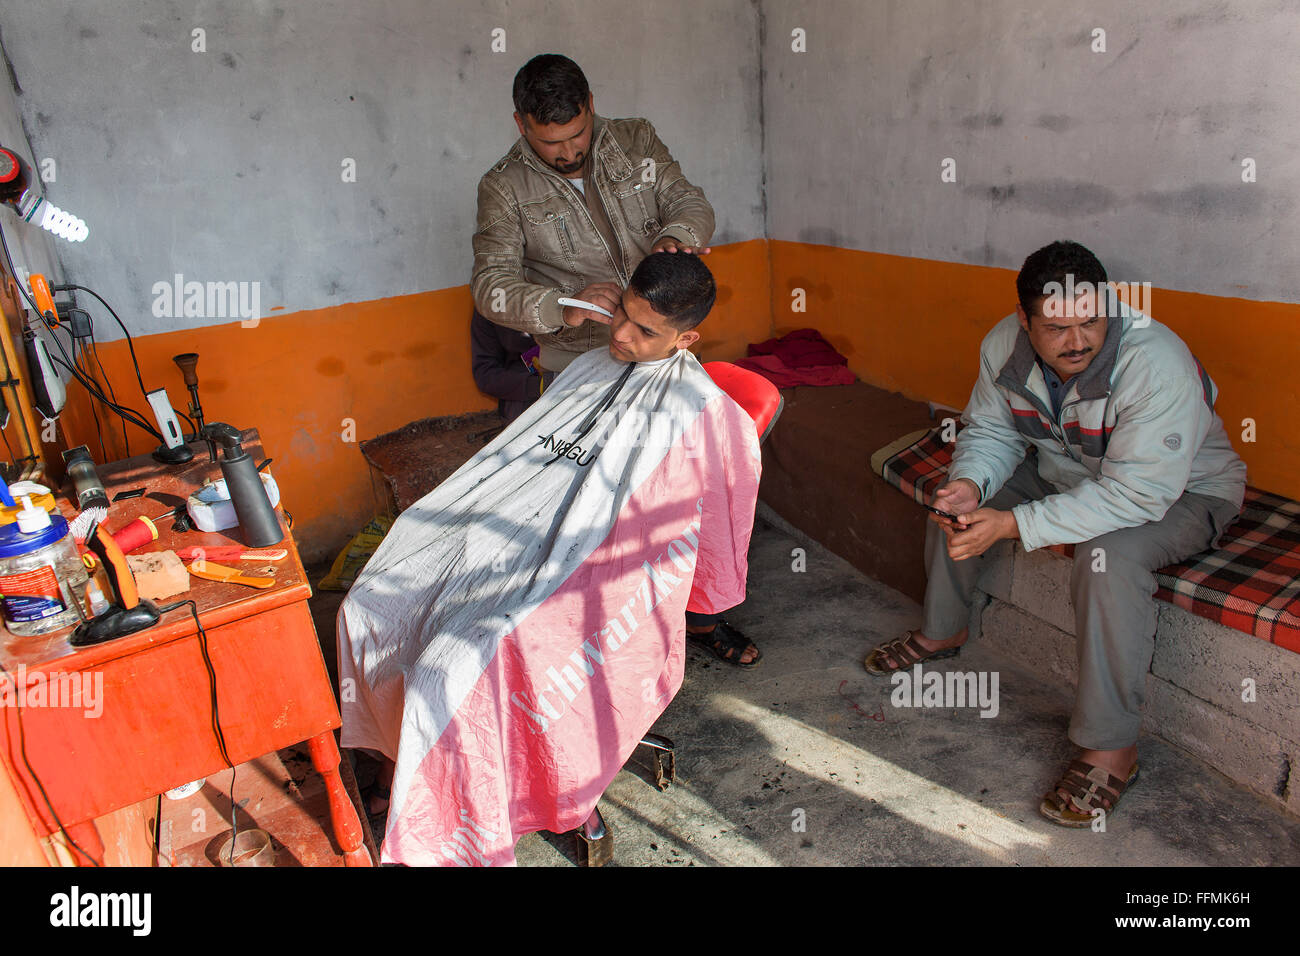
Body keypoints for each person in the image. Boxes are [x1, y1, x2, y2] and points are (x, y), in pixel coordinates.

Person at [340, 253, 762, 864]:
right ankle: (395, 760)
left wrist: (705, 608)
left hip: (597, 577)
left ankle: (475, 813)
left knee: (452, 668)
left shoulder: (701, 412)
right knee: (374, 601)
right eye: (622, 312)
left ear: (686, 338)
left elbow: (719, 525)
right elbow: (527, 460)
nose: (620, 334)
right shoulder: (591, 366)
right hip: (516, 533)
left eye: (645, 331)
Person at [863, 240, 1246, 827]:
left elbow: (1139, 494)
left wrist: (1016, 523)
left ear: (1109, 306)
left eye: (1091, 321)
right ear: (1025, 320)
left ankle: (1111, 746)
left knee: (1108, 556)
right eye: (1057, 327)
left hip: (1184, 493)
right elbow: (992, 431)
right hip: (1068, 474)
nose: (1077, 341)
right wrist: (969, 483)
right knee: (957, 503)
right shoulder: (1003, 346)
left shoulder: (1154, 360)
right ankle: (942, 632)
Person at [471, 53, 757, 667]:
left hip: (659, 353)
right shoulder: (503, 187)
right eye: (551, 143)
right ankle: (599, 632)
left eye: (576, 134)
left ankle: (701, 613)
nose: (568, 151)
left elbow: (691, 200)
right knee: (591, 500)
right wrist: (561, 304)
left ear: (590, 105)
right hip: (581, 362)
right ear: (521, 123)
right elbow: (490, 287)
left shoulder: (635, 141)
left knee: (686, 490)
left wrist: (675, 234)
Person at [470, 309, 543, 423]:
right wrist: (537, 385)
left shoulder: (571, 297)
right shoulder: (489, 304)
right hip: (526, 386)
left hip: (573, 375)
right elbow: (485, 374)